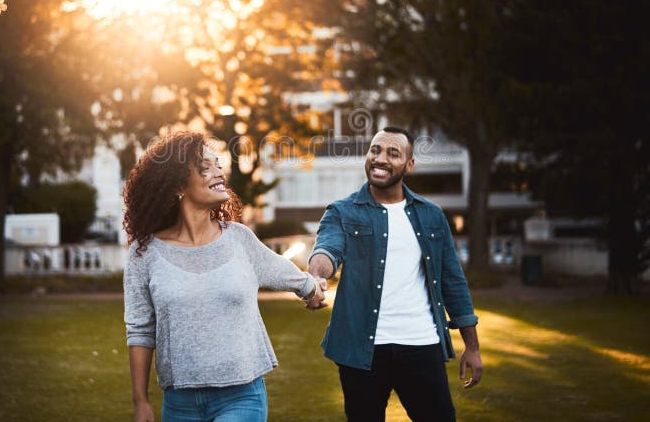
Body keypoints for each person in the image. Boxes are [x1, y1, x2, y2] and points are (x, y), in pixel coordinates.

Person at [122, 131, 326, 422]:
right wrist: (140, 401)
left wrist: (313, 289)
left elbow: (284, 272)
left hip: (242, 396)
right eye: (206, 167)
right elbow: (140, 330)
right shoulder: (145, 254)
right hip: (179, 403)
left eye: (219, 165)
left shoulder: (239, 239)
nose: (219, 172)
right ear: (178, 184)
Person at [306, 127, 482, 422]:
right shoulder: (342, 211)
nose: (380, 158)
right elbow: (327, 250)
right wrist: (315, 276)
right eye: (375, 150)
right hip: (362, 351)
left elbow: (453, 281)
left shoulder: (431, 215)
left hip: (422, 345)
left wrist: (472, 347)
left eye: (393, 153)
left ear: (409, 165)